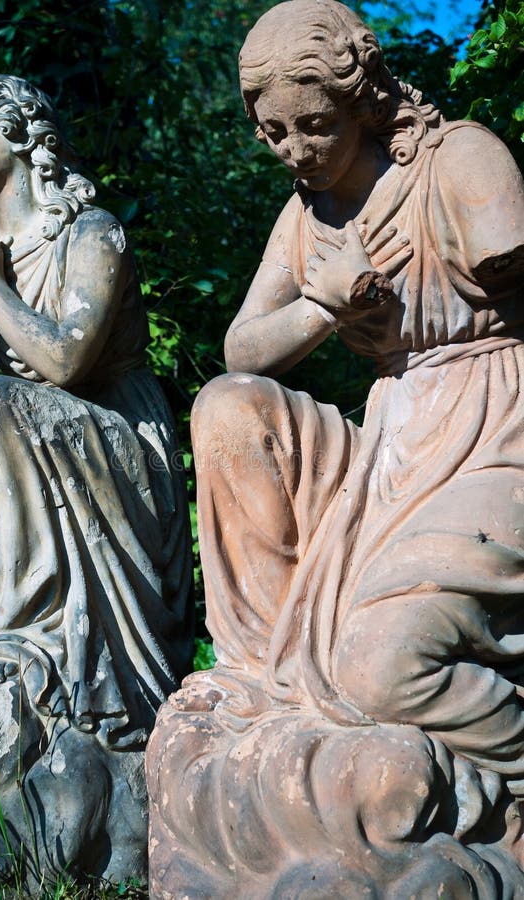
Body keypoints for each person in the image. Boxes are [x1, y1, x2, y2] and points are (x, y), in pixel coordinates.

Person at [146, 2, 524, 895]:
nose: (293, 148)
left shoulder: (457, 156)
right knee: (230, 405)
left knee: (385, 667)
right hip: (396, 437)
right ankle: (264, 668)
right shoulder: (307, 212)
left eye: (313, 124)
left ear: (365, 99)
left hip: (500, 424)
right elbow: (243, 347)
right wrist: (323, 305)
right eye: (271, 131)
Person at [0, 74, 192, 881]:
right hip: (15, 438)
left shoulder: (89, 231)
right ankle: (1, 629)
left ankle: (29, 638)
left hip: (111, 447)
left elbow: (67, 362)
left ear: (13, 136)